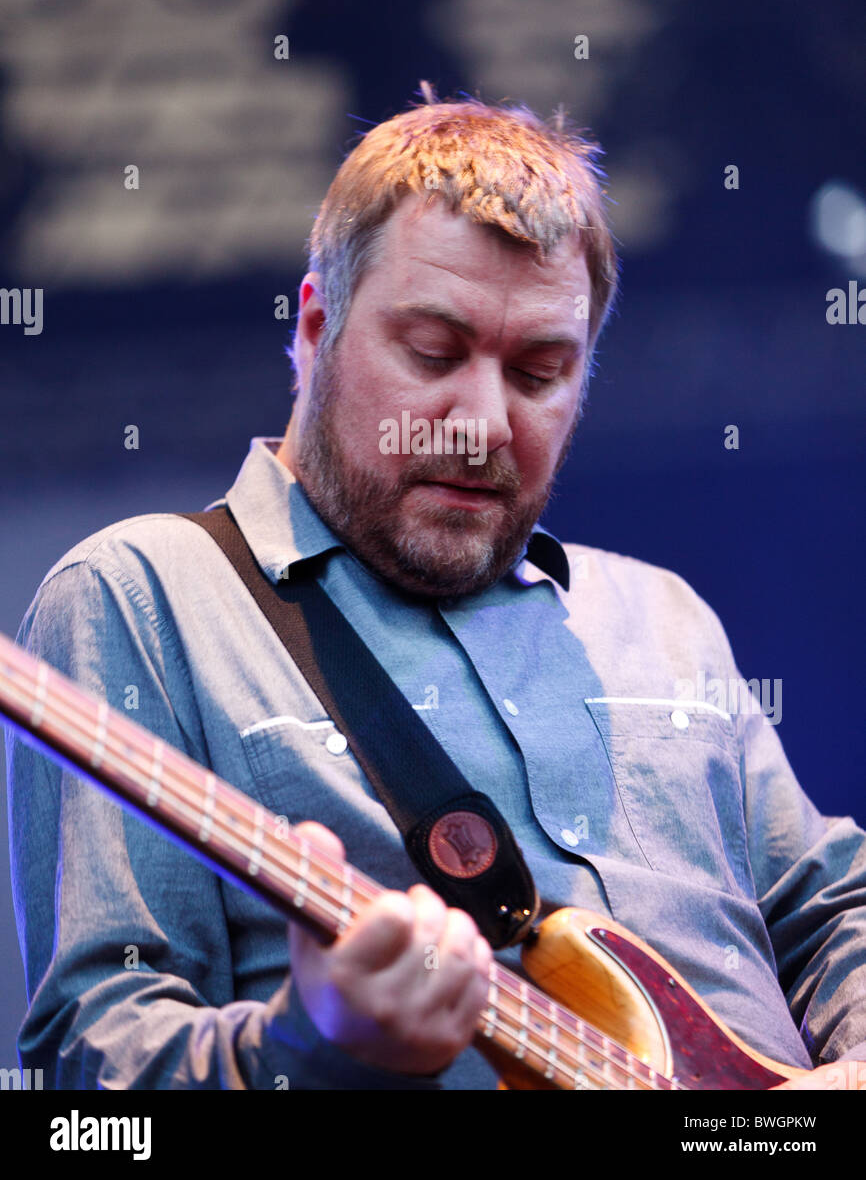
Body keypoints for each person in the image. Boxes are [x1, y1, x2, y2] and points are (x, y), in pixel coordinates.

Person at [6, 94, 866, 1090]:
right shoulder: (142, 596)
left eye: (541, 370)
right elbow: (85, 1077)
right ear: (315, 328)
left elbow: (831, 905)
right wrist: (311, 1043)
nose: (480, 425)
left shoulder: (662, 618)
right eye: (431, 354)